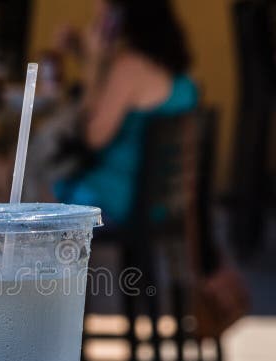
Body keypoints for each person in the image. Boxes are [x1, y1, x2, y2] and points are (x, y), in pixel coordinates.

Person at [36, 0, 198, 224]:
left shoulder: (128, 67)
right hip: (166, 199)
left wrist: (93, 65)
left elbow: (91, 138)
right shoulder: (179, 74)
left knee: (33, 179)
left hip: (123, 200)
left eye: (104, 13)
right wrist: (87, 54)